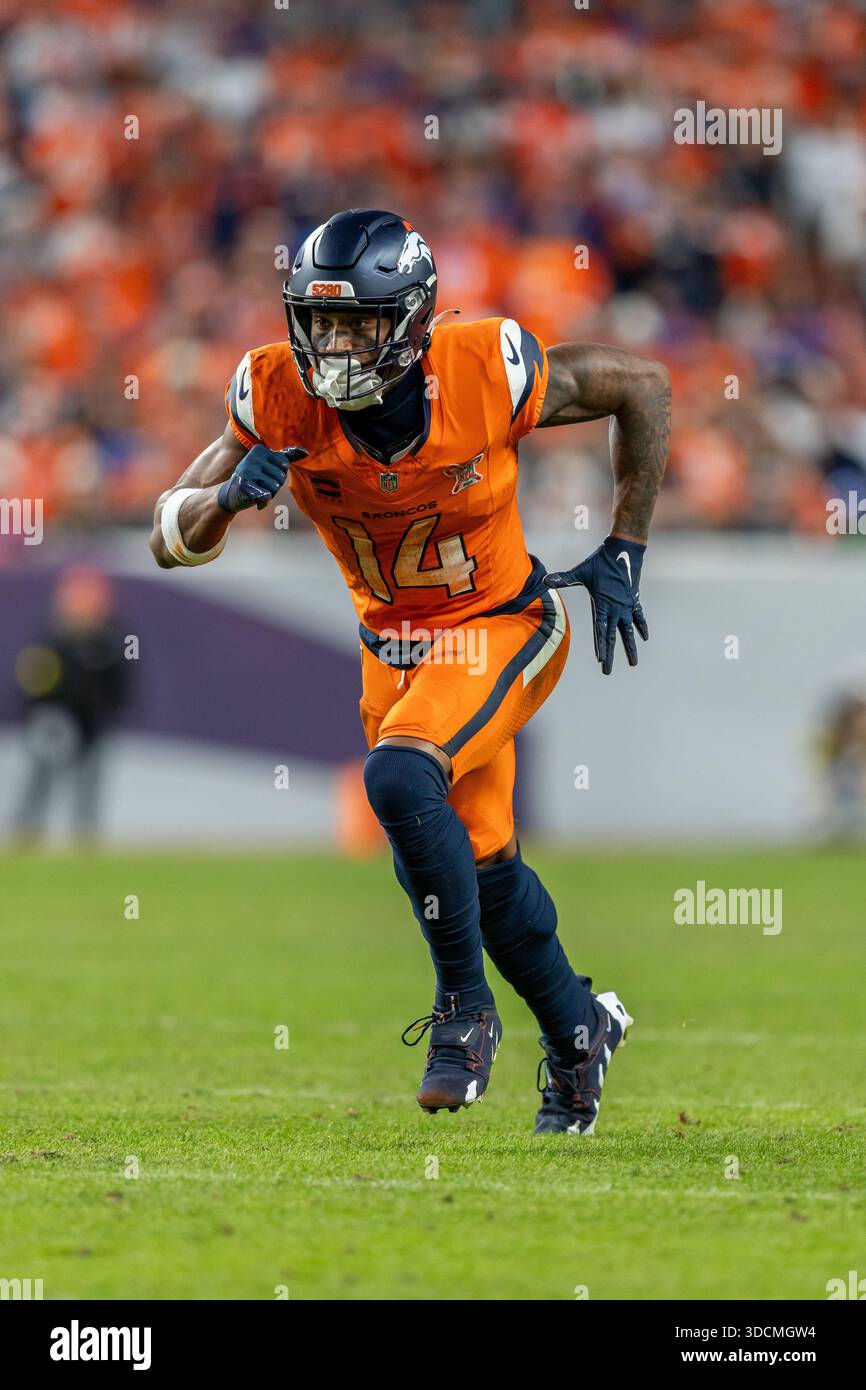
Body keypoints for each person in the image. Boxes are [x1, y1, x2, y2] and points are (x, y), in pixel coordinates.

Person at [149, 209, 670, 1134]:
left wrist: (624, 547)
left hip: (502, 623)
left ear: (414, 320)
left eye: (357, 324)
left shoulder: (483, 368)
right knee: (477, 863)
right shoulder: (274, 391)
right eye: (319, 322)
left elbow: (642, 385)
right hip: (391, 651)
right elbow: (168, 534)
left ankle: (465, 1014)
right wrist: (226, 501)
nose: (334, 345)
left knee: (398, 774)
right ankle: (578, 1029)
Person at [13, 566, 128, 844]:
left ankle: (84, 842)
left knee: (87, 789)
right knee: (39, 785)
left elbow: (118, 686)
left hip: (90, 726)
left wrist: (104, 716)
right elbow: (31, 683)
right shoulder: (51, 640)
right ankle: (25, 836)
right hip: (53, 725)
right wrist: (42, 714)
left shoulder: (109, 642)